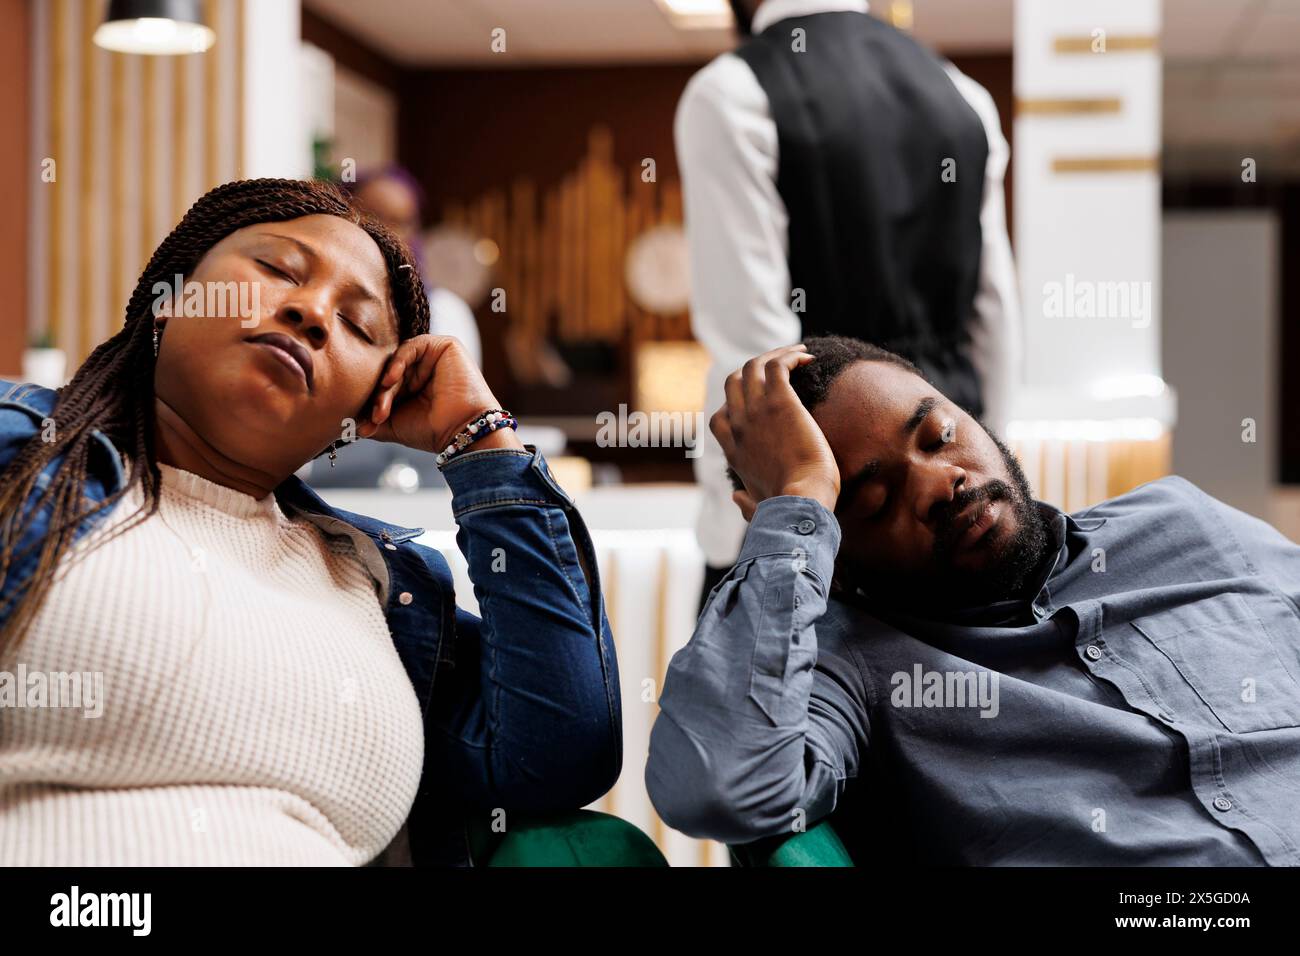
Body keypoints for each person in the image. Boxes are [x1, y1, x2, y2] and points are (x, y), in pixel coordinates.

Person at [0, 178, 621, 866]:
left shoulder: (379, 586)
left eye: (359, 326)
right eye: (277, 269)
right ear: (169, 297)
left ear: (371, 405)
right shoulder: (19, 452)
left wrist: (480, 437)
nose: (314, 313)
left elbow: (561, 753)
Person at [647, 336, 1300, 865]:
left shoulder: (1181, 522)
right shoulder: (854, 670)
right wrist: (798, 502)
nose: (942, 484)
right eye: (876, 501)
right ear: (837, 559)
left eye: (938, 435)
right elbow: (721, 786)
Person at [679, 0, 1021, 604]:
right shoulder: (962, 94)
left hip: (840, 514)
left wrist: (737, 533)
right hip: (958, 513)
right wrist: (985, 462)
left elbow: (754, 351)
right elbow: (993, 313)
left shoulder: (731, 91)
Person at [345, 164, 483, 368]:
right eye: (372, 215)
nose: (385, 231)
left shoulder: (444, 310)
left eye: (400, 221)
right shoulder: (323, 294)